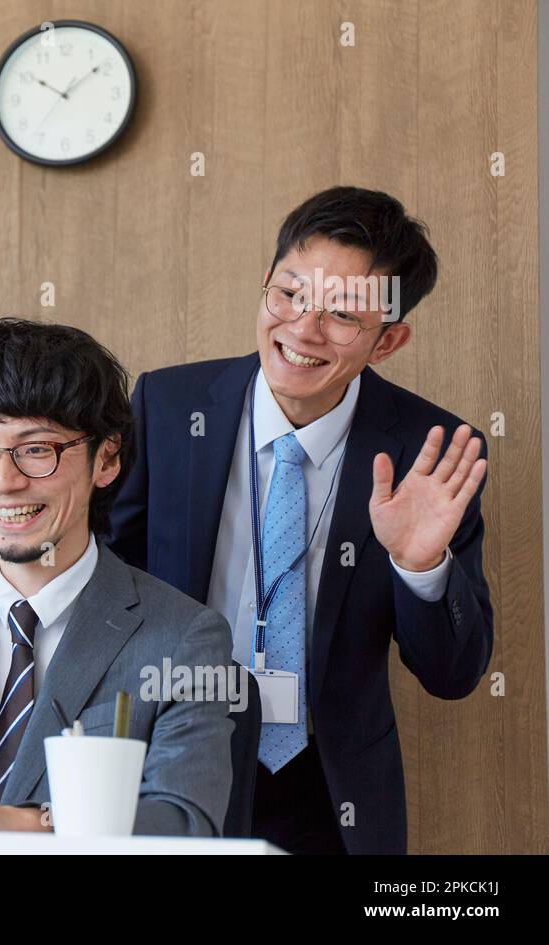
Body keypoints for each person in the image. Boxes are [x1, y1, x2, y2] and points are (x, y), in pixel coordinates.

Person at [109, 186, 494, 854]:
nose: (303, 330)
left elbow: (454, 674)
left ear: (389, 339)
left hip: (330, 790)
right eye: (290, 294)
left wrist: (420, 564)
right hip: (170, 760)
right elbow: (108, 580)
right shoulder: (167, 408)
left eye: (343, 314)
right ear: (265, 284)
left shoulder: (431, 451)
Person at [0, 318, 236, 834]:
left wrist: (25, 824)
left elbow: (183, 822)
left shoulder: (182, 638)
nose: (4, 482)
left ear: (107, 459)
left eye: (36, 450)